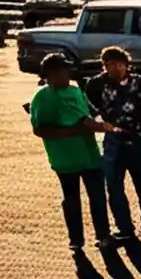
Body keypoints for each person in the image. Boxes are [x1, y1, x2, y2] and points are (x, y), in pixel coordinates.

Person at [28, 53, 114, 251]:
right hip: (65, 160)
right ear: (49, 75)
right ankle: (76, 240)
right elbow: (40, 129)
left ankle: (104, 236)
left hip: (90, 155)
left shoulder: (75, 91)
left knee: (98, 197)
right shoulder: (44, 97)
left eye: (66, 69)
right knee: (72, 199)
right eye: (60, 70)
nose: (65, 73)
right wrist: (74, 130)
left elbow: (87, 115)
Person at [83, 46, 141, 240]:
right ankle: (124, 228)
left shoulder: (138, 82)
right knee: (114, 185)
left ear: (127, 64)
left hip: (138, 138)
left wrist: (125, 125)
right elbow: (89, 109)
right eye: (109, 65)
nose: (114, 68)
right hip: (112, 139)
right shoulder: (97, 84)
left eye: (118, 64)